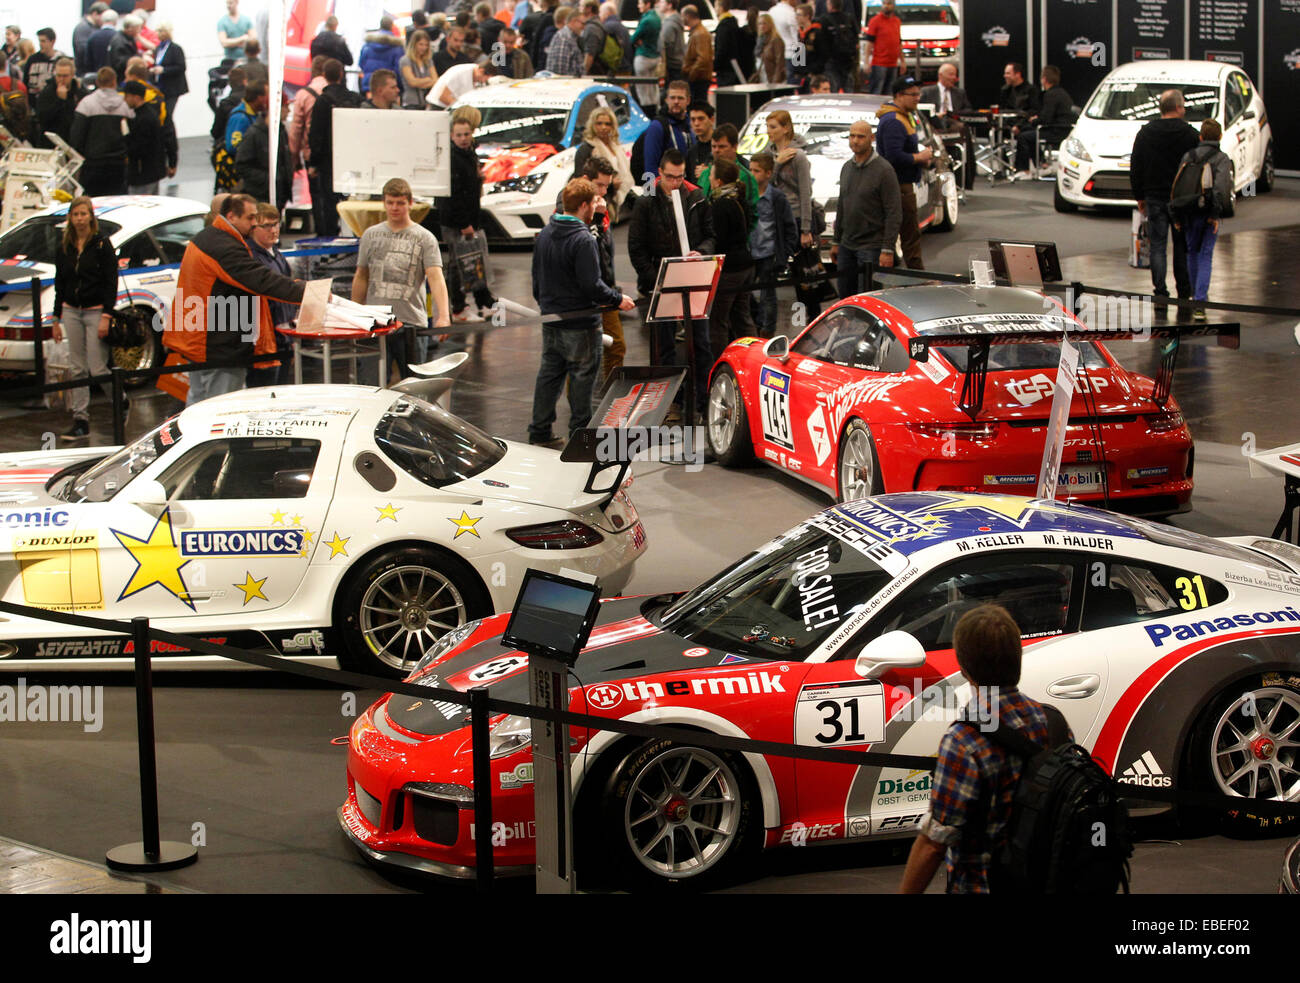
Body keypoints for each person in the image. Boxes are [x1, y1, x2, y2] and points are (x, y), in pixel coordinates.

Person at [899, 605, 1072, 894]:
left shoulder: (964, 740)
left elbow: (934, 842)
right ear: (1017, 658)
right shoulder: (1053, 722)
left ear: (964, 668)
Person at [166, 194, 306, 405]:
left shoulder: (208, 237)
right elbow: (260, 279)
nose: (254, 223)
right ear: (231, 216)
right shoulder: (224, 246)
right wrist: (305, 292)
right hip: (218, 345)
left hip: (203, 340)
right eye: (250, 218)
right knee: (218, 409)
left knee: (198, 402)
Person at [529, 177, 636, 447]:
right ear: (586, 206)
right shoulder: (582, 239)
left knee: (549, 377)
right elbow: (592, 286)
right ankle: (580, 438)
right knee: (582, 381)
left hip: (551, 321)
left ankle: (539, 432)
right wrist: (617, 299)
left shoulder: (544, 234)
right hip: (581, 324)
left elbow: (536, 282)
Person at [628, 149, 715, 416]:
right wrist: (655, 278)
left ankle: (703, 401)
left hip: (692, 278)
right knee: (663, 348)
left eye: (679, 177)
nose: (674, 183)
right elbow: (636, 247)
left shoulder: (696, 197)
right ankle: (669, 404)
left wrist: (700, 251)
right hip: (660, 281)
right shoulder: (646, 202)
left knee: (700, 343)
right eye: (669, 177)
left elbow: (711, 236)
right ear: (659, 173)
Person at [352, 178, 451, 385]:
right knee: (371, 384)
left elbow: (435, 277)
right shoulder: (370, 235)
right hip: (375, 322)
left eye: (400, 203)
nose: (394, 208)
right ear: (384, 203)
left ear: (410, 203)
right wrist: (354, 314)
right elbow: (361, 275)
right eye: (390, 202)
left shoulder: (425, 238)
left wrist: (444, 316)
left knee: (414, 386)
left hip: (411, 321)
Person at [52, 196, 120, 441]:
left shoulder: (101, 244)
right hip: (71, 310)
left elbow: (111, 281)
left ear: (91, 216)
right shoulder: (65, 245)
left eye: (84, 214)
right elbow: (61, 282)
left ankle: (119, 400)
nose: (80, 219)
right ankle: (81, 420)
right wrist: (55, 317)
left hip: (95, 311)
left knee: (97, 367)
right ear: (70, 218)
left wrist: (106, 315)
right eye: (75, 214)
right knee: (77, 368)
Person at [1130, 88, 1199, 320]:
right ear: (1179, 107)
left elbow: (1136, 165)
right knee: (1182, 247)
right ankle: (1183, 295)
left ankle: (1160, 295)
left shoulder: (1145, 132)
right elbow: (1196, 168)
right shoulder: (1190, 134)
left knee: (1158, 246)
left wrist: (1139, 196)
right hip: (1182, 201)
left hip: (1154, 197)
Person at [438, 108, 497, 324]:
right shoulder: (453, 159)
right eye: (459, 135)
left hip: (470, 218)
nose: (464, 138)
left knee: (474, 261)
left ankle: (483, 301)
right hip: (457, 221)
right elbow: (454, 195)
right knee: (457, 265)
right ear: (452, 136)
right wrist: (464, 224)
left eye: (466, 134)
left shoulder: (469, 153)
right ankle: (458, 307)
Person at [830, 119, 900, 297]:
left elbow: (893, 212)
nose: (855, 140)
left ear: (871, 138)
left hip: (872, 247)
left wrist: (887, 249)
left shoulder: (884, 170)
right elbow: (842, 206)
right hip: (847, 245)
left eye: (860, 136)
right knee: (845, 299)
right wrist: (836, 241)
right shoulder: (847, 167)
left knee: (869, 299)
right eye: (852, 136)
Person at [1173, 119, 1232, 322]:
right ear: (1220, 137)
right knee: (1206, 254)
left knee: (1192, 253)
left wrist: (1178, 216)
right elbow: (1222, 190)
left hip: (1188, 213)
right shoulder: (1222, 159)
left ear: (1200, 136)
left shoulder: (1188, 156)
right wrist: (1215, 215)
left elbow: (1179, 186)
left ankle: (1195, 295)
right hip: (1207, 214)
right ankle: (1200, 303)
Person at [764, 109, 820, 318]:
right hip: (776, 218)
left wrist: (806, 229)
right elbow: (763, 184)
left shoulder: (800, 156)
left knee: (806, 278)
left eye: (773, 127)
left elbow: (806, 194)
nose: (769, 132)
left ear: (785, 128)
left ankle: (811, 321)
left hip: (797, 218)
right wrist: (777, 164)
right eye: (768, 127)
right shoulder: (769, 154)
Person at [875, 76, 930, 270]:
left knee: (907, 237)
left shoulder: (901, 117)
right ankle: (918, 282)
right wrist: (919, 157)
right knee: (909, 237)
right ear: (899, 95)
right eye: (913, 94)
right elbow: (893, 157)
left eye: (918, 94)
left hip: (900, 186)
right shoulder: (894, 121)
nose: (917, 98)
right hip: (899, 187)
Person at [706, 158, 757, 359]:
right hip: (746, 265)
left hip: (729, 270)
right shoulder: (741, 199)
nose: (708, 178)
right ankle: (753, 358)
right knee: (742, 317)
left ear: (718, 181)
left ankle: (719, 362)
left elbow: (718, 239)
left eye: (711, 175)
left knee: (718, 321)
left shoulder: (720, 205)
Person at [308, 59, 362, 237]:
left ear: (325, 76)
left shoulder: (322, 101)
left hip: (328, 161)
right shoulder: (355, 99)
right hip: (354, 158)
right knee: (354, 203)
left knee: (329, 204)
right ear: (341, 74)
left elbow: (316, 134)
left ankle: (331, 239)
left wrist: (314, 162)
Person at [246, 202, 298, 387]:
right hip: (264, 340)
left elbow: (288, 295)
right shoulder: (250, 257)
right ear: (253, 228)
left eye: (275, 224)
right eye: (266, 226)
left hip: (283, 336)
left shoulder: (277, 255)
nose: (273, 230)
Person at [748, 152, 797, 336]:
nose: (753, 174)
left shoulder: (777, 198)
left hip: (769, 253)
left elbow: (789, 226)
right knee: (748, 293)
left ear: (769, 173)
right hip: (750, 252)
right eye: (750, 170)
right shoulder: (747, 195)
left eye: (757, 171)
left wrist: (785, 253)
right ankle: (756, 324)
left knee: (768, 295)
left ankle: (767, 330)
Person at [71, 66, 131, 196]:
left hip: (93, 164)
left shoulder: (86, 104)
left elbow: (77, 136)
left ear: (97, 82)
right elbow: (131, 136)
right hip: (118, 164)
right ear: (115, 82)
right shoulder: (125, 105)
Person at [573, 105, 635, 217]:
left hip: (621, 200)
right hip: (599, 202)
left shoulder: (616, 146)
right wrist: (610, 185)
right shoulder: (587, 149)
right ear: (593, 125)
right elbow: (580, 180)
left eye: (607, 124)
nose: (603, 127)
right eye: (599, 123)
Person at [1013, 65, 1073, 178]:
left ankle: (1024, 170)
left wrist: (1034, 120)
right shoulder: (1063, 93)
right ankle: (1043, 164)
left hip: (1056, 131)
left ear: (1044, 79)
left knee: (1024, 136)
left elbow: (1046, 118)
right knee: (1029, 133)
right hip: (1064, 129)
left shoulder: (1050, 95)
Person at [921, 62, 973, 190]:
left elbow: (968, 110)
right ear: (940, 75)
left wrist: (954, 114)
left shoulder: (960, 93)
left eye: (955, 75)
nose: (954, 78)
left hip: (953, 124)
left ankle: (963, 180)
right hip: (934, 125)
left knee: (961, 128)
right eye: (951, 74)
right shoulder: (927, 92)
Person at [235, 96, 292, 204]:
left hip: (279, 195)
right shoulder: (253, 134)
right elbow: (241, 166)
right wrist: (269, 179)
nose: (289, 111)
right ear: (276, 108)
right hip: (261, 197)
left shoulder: (281, 131)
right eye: (286, 106)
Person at [698, 123, 759, 213]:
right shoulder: (705, 174)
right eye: (713, 146)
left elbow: (753, 213)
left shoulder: (746, 176)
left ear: (735, 147)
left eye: (722, 146)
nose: (716, 150)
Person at [641, 79, 692, 179]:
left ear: (688, 100)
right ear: (666, 100)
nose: (676, 102)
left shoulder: (691, 124)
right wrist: (652, 193)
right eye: (672, 98)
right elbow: (650, 168)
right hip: (663, 190)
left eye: (680, 98)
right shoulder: (657, 127)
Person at [121, 80, 165, 195]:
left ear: (136, 97)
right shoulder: (149, 114)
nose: (125, 100)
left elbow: (138, 148)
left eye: (127, 96)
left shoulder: (143, 119)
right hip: (150, 172)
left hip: (142, 174)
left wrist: (125, 137)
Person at [211, 64, 246, 193]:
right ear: (245, 81)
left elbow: (215, 131)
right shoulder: (250, 101)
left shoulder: (225, 104)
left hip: (229, 155)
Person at [33, 58, 80, 148]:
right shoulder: (46, 92)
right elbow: (42, 118)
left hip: (72, 141)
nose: (61, 79)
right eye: (58, 76)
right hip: (50, 142)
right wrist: (60, 101)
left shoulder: (79, 92)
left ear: (72, 75)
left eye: (65, 76)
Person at [149, 22, 187, 122]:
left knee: (168, 114)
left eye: (160, 31)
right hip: (160, 86)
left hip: (172, 87)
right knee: (161, 114)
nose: (157, 33)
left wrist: (164, 70)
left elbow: (181, 67)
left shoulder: (175, 49)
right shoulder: (158, 48)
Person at [863, 0, 901, 94]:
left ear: (893, 5)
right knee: (877, 91)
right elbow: (869, 43)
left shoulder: (896, 21)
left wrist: (902, 61)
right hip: (879, 63)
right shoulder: (875, 21)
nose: (886, 6)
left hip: (893, 63)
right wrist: (866, 62)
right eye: (884, 3)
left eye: (888, 4)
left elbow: (898, 42)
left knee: (889, 92)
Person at [360, 17, 405, 95]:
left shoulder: (367, 45)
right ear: (391, 26)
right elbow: (398, 70)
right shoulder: (397, 47)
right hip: (389, 88)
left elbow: (361, 64)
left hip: (369, 84)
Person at [629, 0, 660, 109]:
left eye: (640, 3)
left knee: (643, 91)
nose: (638, 6)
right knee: (652, 90)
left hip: (643, 56)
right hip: (654, 56)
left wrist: (636, 40)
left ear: (647, 4)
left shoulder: (646, 20)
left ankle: (647, 113)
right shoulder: (657, 18)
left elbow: (633, 38)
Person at [821, 0, 856, 93]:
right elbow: (856, 40)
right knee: (848, 88)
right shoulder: (849, 18)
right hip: (847, 60)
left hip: (831, 60)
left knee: (833, 88)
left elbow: (821, 43)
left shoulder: (823, 20)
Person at [681, 5, 712, 103]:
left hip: (699, 80)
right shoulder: (697, 32)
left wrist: (691, 74)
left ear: (688, 16)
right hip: (698, 78)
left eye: (682, 16)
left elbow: (703, 58)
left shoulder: (700, 33)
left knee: (698, 105)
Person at [792, 4, 825, 93]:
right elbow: (798, 53)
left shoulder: (816, 32)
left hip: (812, 74)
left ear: (807, 16)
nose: (796, 17)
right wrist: (796, 70)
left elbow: (822, 55)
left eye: (799, 15)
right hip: (801, 75)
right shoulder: (800, 33)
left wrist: (813, 72)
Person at [712, 0, 746, 87]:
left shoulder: (723, 26)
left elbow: (721, 49)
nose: (715, 9)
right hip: (734, 67)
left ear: (721, 8)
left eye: (716, 6)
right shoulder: (733, 23)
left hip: (725, 70)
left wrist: (715, 65)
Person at [401, 30, 436, 108]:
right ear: (414, 44)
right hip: (411, 103)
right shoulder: (405, 60)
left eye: (426, 45)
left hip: (426, 102)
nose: (424, 48)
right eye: (421, 44)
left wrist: (419, 82)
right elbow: (412, 82)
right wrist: (427, 79)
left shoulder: (428, 61)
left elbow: (435, 80)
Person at [545, 6, 584, 76]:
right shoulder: (563, 38)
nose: (584, 27)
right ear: (573, 21)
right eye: (583, 23)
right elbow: (559, 72)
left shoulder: (571, 38)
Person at [22, 28, 60, 98]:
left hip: (52, 100)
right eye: (39, 41)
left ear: (52, 41)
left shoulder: (60, 59)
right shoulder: (32, 59)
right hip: (34, 101)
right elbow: (25, 81)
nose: (40, 44)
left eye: (43, 41)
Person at [74, 4, 108, 77]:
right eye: (103, 17)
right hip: (84, 72)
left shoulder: (96, 27)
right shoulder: (82, 28)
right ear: (95, 14)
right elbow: (81, 50)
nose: (104, 21)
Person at [750, 13, 785, 84]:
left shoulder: (776, 40)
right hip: (761, 77)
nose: (762, 26)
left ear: (770, 24)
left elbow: (780, 62)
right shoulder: (760, 40)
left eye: (764, 23)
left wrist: (775, 81)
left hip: (771, 79)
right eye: (759, 24)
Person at [769, 0, 799, 83]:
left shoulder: (771, 11)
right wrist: (801, 62)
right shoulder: (791, 13)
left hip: (774, 54)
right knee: (792, 84)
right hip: (790, 54)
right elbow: (797, 38)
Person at [577, 0, 609, 75]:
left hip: (594, 71)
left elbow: (590, 54)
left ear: (589, 8)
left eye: (581, 6)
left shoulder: (591, 28)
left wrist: (583, 74)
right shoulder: (597, 23)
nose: (579, 9)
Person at [685, 100, 714, 180]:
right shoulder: (691, 152)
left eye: (701, 119)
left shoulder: (722, 147)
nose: (696, 123)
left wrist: (710, 172)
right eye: (693, 119)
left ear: (711, 120)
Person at [108, 15, 142, 82]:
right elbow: (119, 63)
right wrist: (138, 58)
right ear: (130, 28)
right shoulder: (119, 41)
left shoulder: (129, 39)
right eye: (138, 28)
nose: (140, 30)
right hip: (121, 78)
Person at [658, 0, 685, 83]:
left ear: (669, 5)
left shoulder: (669, 24)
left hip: (672, 65)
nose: (659, 4)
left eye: (662, 2)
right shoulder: (677, 20)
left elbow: (666, 44)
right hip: (678, 62)